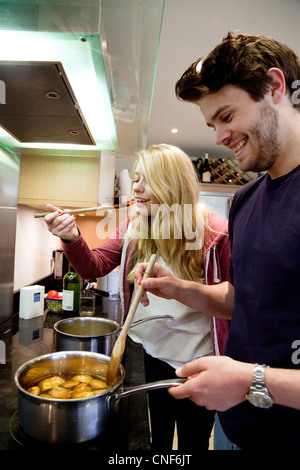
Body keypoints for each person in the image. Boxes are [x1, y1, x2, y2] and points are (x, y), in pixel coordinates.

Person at [135, 32, 300, 450]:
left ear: (275, 88)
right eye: (212, 124)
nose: (219, 137)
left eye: (226, 116)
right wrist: (182, 289)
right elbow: (244, 298)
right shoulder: (246, 200)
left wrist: (250, 380)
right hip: (234, 429)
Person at [44, 143, 230, 451]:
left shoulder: (214, 232)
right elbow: (94, 265)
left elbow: (235, 300)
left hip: (199, 359)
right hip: (149, 352)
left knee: (193, 440)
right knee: (155, 436)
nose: (137, 188)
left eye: (146, 180)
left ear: (171, 184)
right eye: (136, 180)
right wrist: (71, 236)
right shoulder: (134, 225)